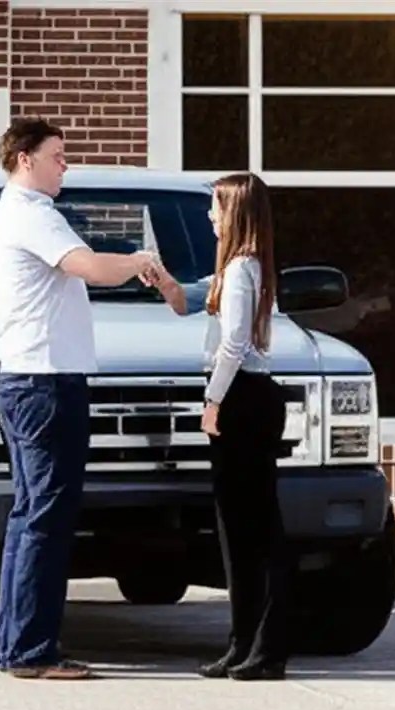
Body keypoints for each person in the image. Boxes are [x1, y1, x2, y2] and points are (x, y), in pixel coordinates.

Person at [0, 117, 162, 680]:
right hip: (44, 381)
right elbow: (89, 268)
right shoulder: (32, 215)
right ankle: (31, 652)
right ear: (25, 159)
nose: (66, 164)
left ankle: (16, 647)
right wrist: (139, 261)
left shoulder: (15, 213)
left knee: (29, 516)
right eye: (58, 155)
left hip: (27, 376)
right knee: (45, 520)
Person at [151, 171, 292, 681]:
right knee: (242, 531)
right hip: (249, 398)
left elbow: (233, 343)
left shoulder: (240, 269)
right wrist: (164, 281)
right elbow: (188, 301)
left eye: (215, 206)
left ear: (235, 212)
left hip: (243, 399)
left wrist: (213, 402)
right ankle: (244, 643)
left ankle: (265, 649)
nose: (210, 215)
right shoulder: (241, 268)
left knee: (253, 531)